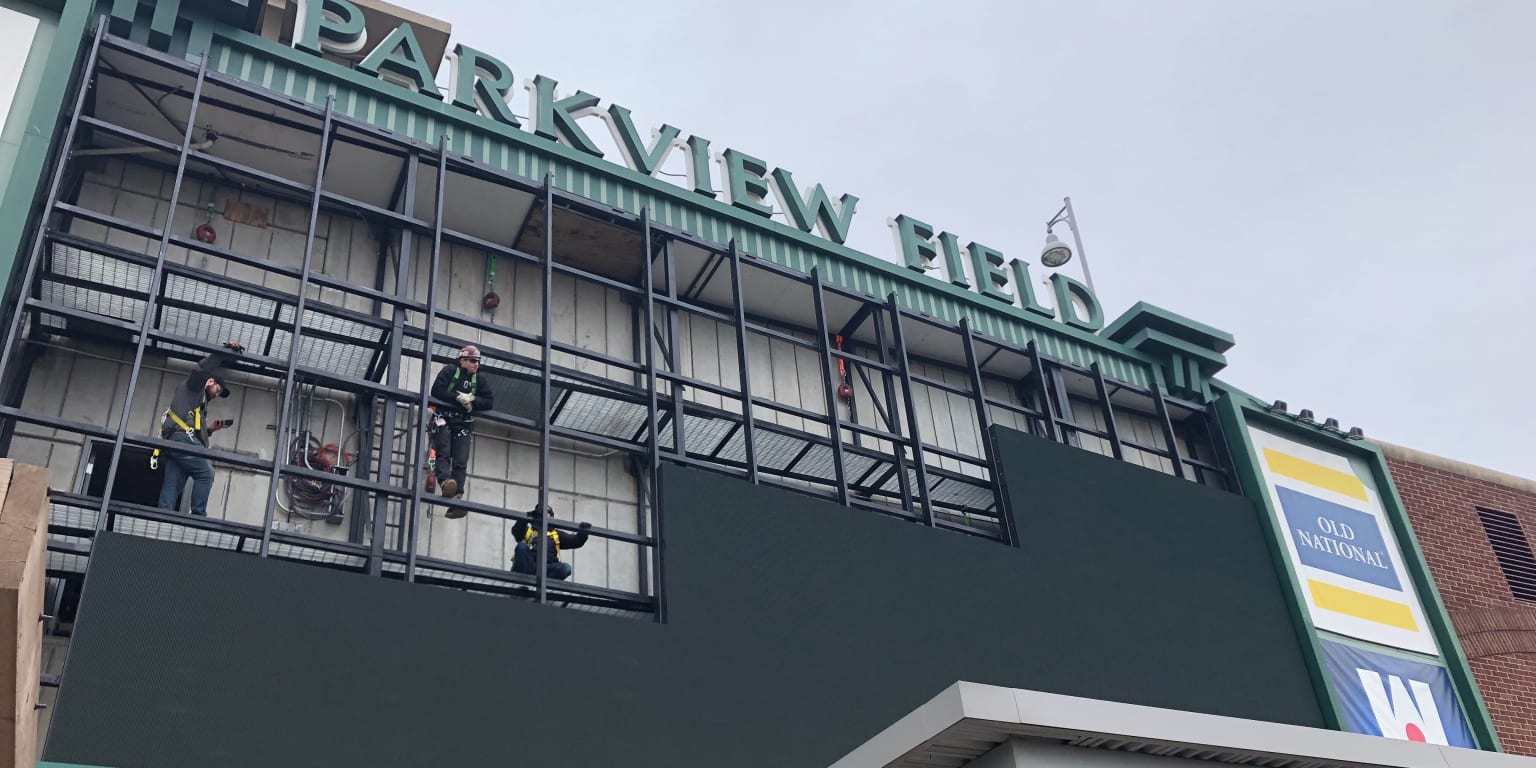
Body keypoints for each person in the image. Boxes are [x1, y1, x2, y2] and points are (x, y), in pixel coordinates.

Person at [155, 341, 245, 516]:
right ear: (210, 381)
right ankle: (198, 514)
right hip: (181, 438)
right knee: (206, 473)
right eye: (217, 389)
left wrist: (210, 430)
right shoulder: (195, 387)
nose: (216, 394)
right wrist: (224, 353)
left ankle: (161, 516)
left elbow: (194, 430)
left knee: (173, 484)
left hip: (176, 441)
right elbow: (200, 370)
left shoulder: (197, 405)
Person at [429, 344, 493, 518]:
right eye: (472, 361)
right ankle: (445, 483)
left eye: (478, 361)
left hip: (463, 423)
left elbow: (489, 402)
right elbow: (436, 390)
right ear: (462, 360)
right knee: (443, 452)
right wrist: (457, 397)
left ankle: (457, 496)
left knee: (461, 460)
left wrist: (473, 399)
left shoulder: (479, 380)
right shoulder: (451, 371)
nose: (476, 365)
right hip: (444, 418)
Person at [511, 506, 589, 581]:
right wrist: (528, 516)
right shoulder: (528, 531)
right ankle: (528, 578)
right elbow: (517, 531)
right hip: (528, 566)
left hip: (546, 569)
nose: (544, 515)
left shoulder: (556, 534)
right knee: (522, 546)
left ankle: (537, 578)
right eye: (541, 512)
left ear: (551, 517)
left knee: (566, 568)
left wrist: (583, 531)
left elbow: (575, 541)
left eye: (547, 512)